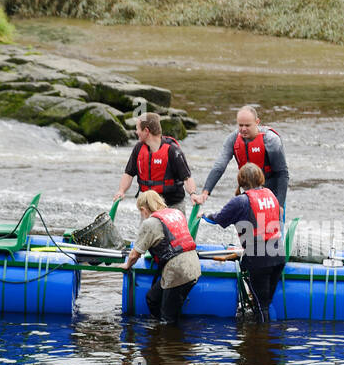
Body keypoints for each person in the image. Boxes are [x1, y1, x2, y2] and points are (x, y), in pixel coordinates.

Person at [201, 163, 285, 320]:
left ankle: (261, 341)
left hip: (259, 259)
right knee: (265, 303)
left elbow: (219, 219)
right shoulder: (271, 195)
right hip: (278, 255)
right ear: (260, 178)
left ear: (241, 181)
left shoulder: (241, 201)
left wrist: (204, 214)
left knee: (261, 307)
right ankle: (270, 340)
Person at [121, 190, 201, 326]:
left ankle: (169, 343)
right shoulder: (176, 213)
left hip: (177, 271)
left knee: (167, 319)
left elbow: (135, 253)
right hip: (193, 265)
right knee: (152, 299)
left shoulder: (150, 223)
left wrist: (127, 265)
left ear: (143, 209)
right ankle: (159, 336)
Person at [194, 105, 289, 215]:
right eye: (240, 125)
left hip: (272, 194)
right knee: (251, 228)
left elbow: (282, 173)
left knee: (271, 229)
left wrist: (280, 205)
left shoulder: (271, 140)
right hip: (249, 194)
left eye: (247, 125)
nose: (243, 129)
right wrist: (205, 192)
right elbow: (219, 166)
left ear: (257, 122)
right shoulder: (233, 139)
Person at [114, 112, 198, 211]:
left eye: (137, 128)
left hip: (172, 205)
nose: (136, 132)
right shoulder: (138, 148)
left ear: (146, 131)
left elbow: (187, 178)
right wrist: (121, 191)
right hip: (148, 205)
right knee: (148, 226)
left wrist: (193, 194)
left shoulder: (172, 150)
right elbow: (129, 174)